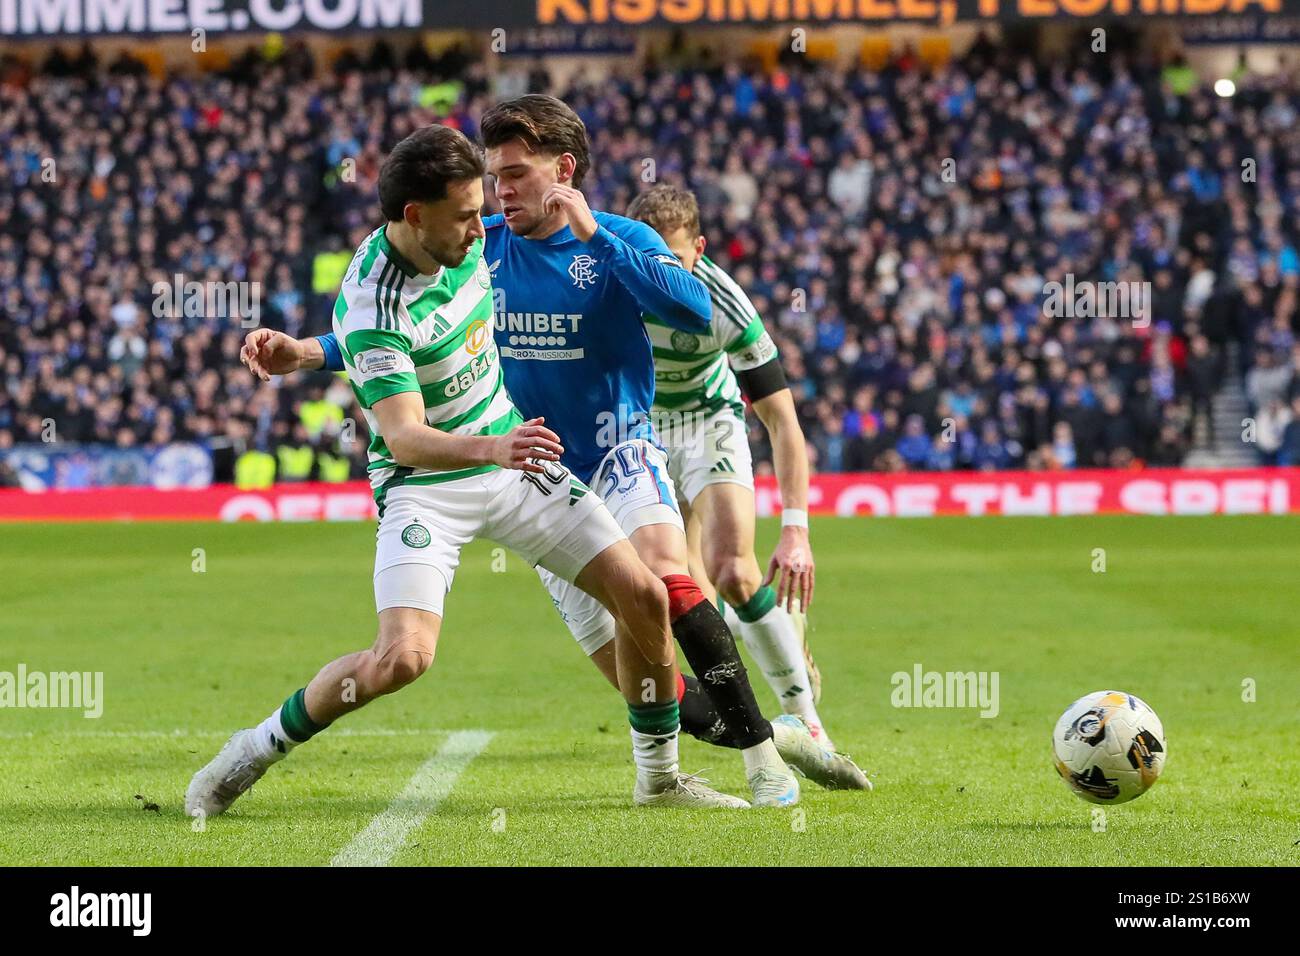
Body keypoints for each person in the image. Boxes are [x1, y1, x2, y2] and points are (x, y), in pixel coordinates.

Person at [268, 97, 868, 803]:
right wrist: (310, 352)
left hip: (619, 449)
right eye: (494, 177)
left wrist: (596, 237)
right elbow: (404, 334)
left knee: (665, 577)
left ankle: (762, 762)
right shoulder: (481, 246)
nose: (501, 191)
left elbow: (690, 308)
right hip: (539, 471)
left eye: (516, 174)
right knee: (647, 684)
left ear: (564, 170)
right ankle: (775, 733)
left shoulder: (618, 237)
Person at [187, 125, 750, 819]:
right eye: (464, 216)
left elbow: (682, 305)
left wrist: (306, 353)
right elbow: (405, 437)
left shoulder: (466, 238)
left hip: (511, 457)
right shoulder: (371, 301)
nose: (481, 229)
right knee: (401, 660)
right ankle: (256, 746)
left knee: (643, 593)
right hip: (429, 484)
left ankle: (659, 780)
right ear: (415, 216)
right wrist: (493, 447)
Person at [623, 185, 837, 747]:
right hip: (639, 428)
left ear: (699, 249)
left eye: (673, 259)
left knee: (735, 573)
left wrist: (796, 531)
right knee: (682, 598)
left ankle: (805, 718)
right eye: (649, 258)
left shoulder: (725, 305)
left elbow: (782, 421)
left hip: (707, 422)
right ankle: (749, 687)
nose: (660, 275)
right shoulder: (613, 284)